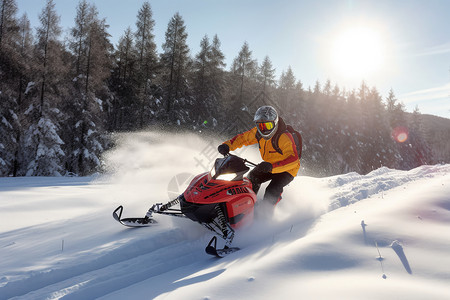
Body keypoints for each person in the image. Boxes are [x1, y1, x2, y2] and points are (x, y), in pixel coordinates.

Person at [217, 106, 300, 215]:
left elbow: (294, 160)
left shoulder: (284, 137)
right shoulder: (258, 133)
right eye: (260, 125)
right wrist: (227, 146)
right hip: (268, 166)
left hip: (287, 170)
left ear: (275, 123)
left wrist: (272, 167)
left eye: (268, 125)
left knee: (272, 189)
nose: (264, 129)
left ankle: (265, 214)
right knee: (251, 179)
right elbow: (242, 138)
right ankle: (248, 206)